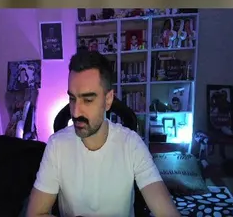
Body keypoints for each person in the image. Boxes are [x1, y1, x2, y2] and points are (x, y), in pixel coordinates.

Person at [25, 50, 179, 217]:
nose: (75, 112)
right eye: (72, 98)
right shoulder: (56, 146)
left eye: (88, 100)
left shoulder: (131, 144)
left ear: (108, 100)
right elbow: (34, 214)